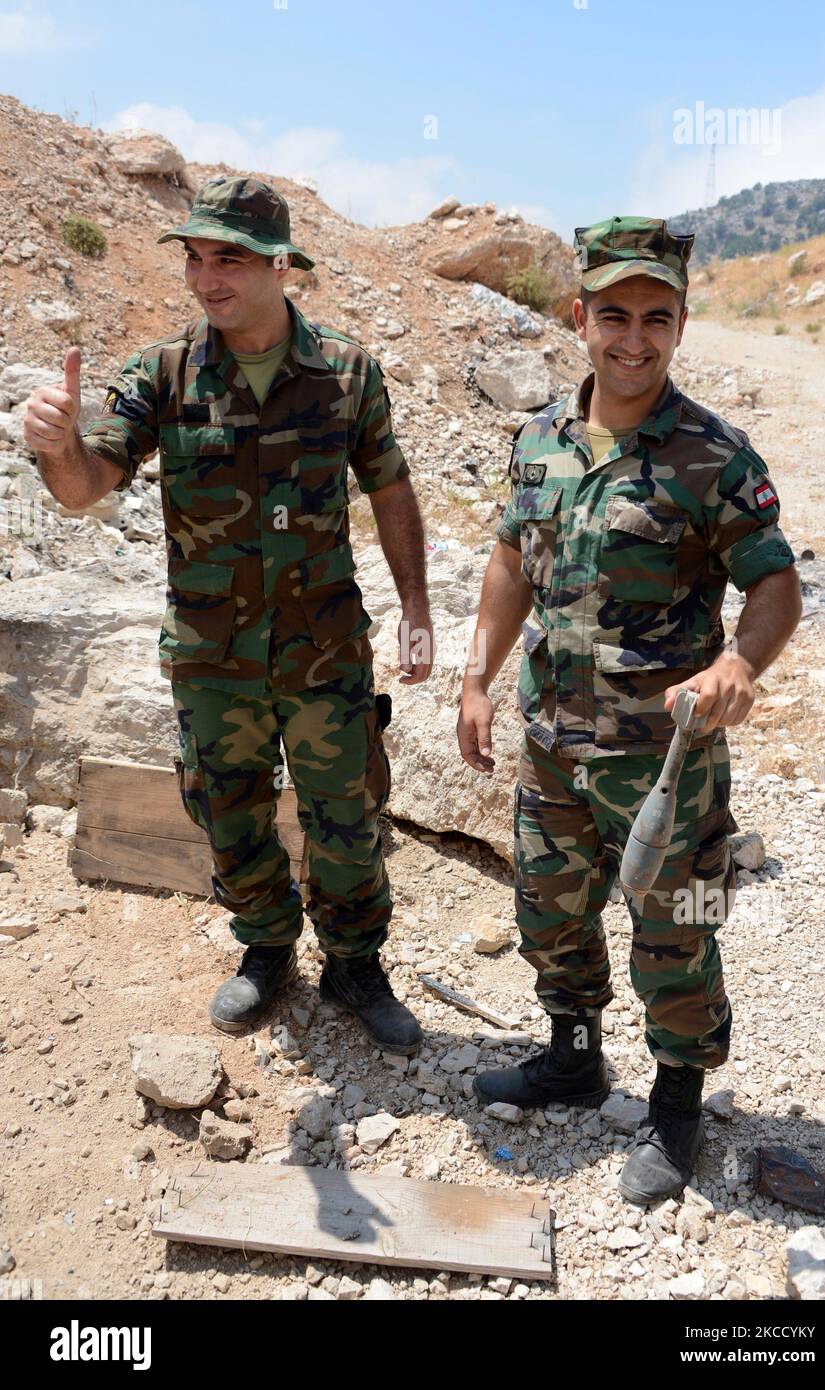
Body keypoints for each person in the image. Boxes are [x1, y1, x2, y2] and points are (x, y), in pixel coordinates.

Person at [24, 175, 432, 1055]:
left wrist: (416, 605)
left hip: (324, 649)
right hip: (213, 653)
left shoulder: (348, 374)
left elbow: (389, 485)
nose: (207, 279)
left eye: (230, 259)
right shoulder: (163, 374)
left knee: (346, 814)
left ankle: (356, 965)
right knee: (229, 810)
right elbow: (90, 482)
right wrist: (59, 450)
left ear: (281, 267)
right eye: (196, 258)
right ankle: (266, 951)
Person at [456, 216, 801, 1202]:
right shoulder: (537, 443)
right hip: (550, 743)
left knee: (672, 932)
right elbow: (507, 563)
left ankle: (676, 1109)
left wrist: (740, 660)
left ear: (681, 324)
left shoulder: (712, 457)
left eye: (656, 317)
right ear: (579, 318)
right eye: (614, 314)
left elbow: (774, 586)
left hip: (663, 761)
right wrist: (477, 679)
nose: (633, 337)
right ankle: (571, 1057)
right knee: (549, 909)